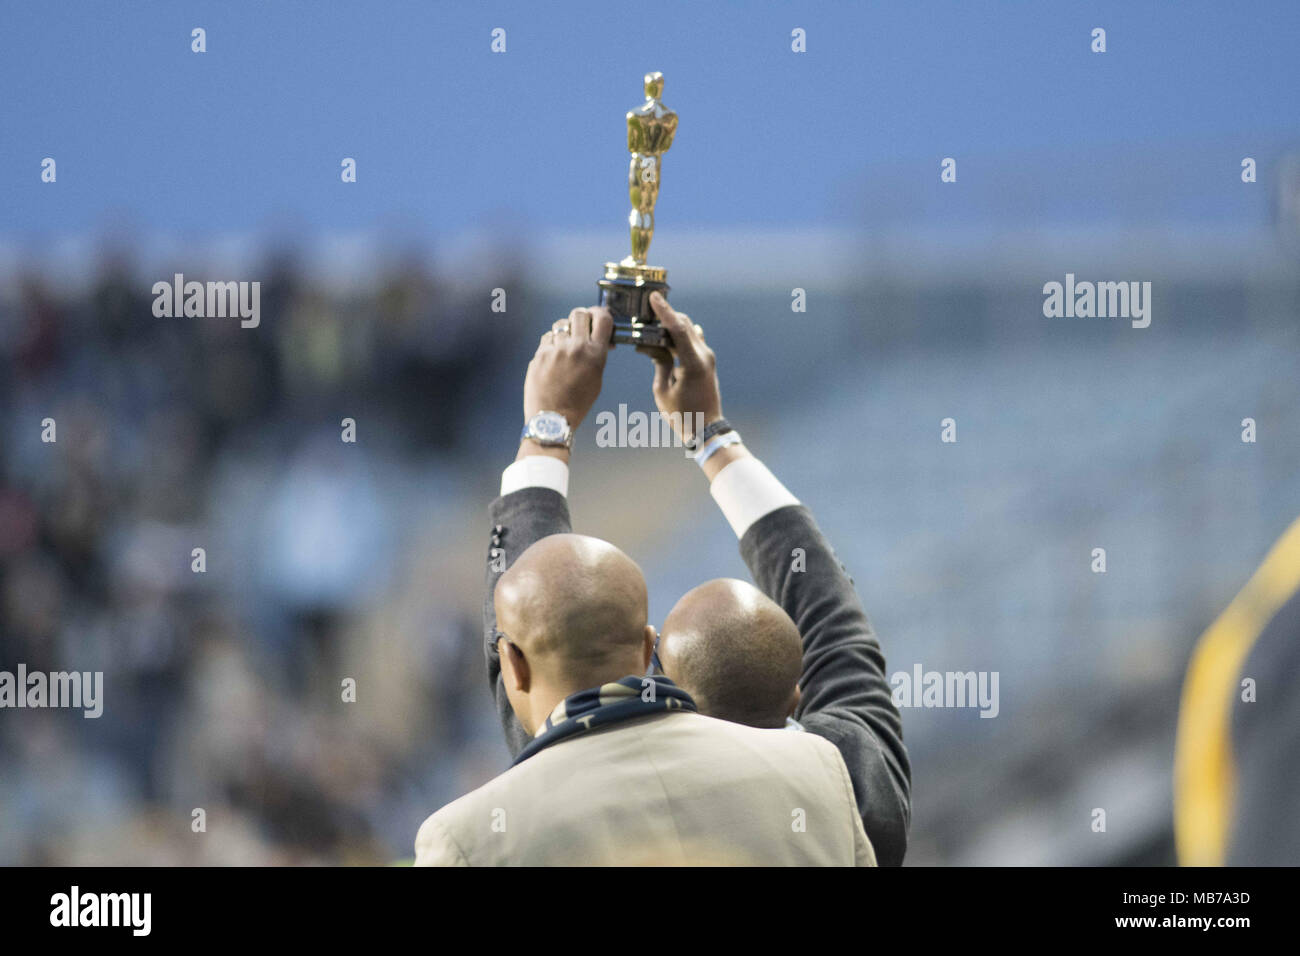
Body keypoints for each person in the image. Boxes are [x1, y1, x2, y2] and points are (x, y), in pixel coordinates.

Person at [412, 304, 874, 866]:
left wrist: (546, 430)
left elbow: (539, 624)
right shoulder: (825, 780)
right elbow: (841, 647)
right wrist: (712, 437)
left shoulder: (478, 838)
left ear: (513, 667)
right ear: (649, 651)